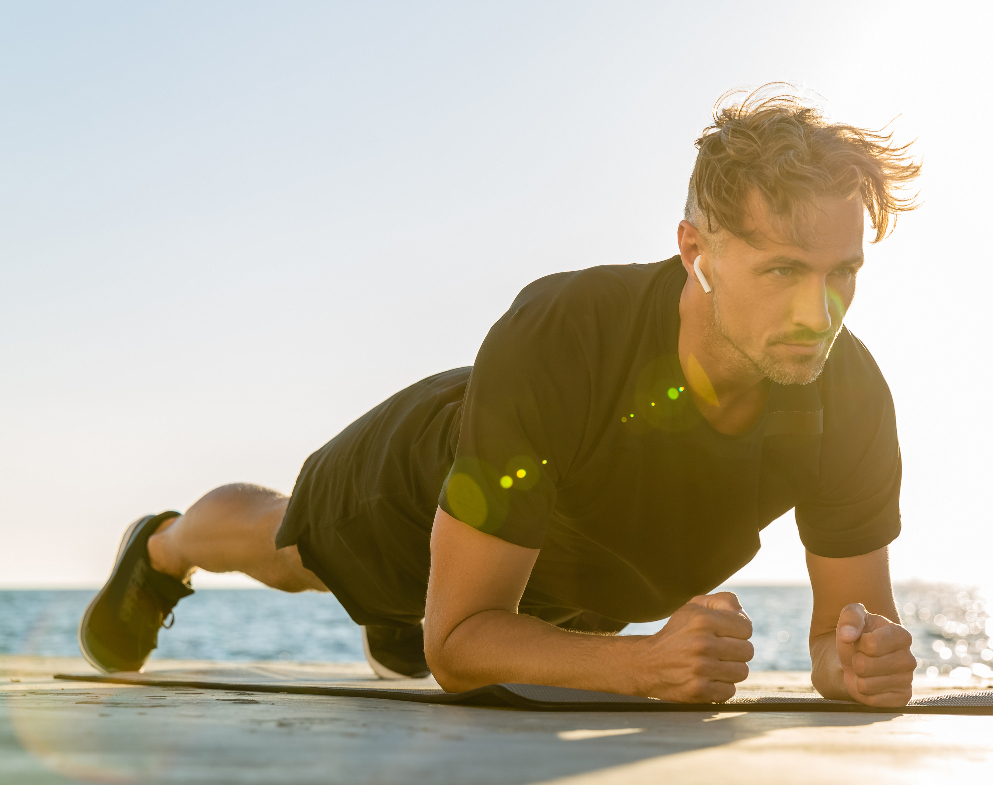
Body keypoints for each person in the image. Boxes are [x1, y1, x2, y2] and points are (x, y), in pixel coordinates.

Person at [79, 86, 922, 706]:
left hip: (567, 581)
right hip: (419, 493)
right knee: (289, 550)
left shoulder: (848, 396)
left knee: (456, 623)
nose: (820, 314)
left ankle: (407, 620)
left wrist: (854, 660)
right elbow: (458, 647)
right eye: (782, 270)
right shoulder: (565, 335)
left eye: (842, 272)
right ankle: (163, 547)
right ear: (696, 250)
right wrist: (643, 665)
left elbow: (836, 633)